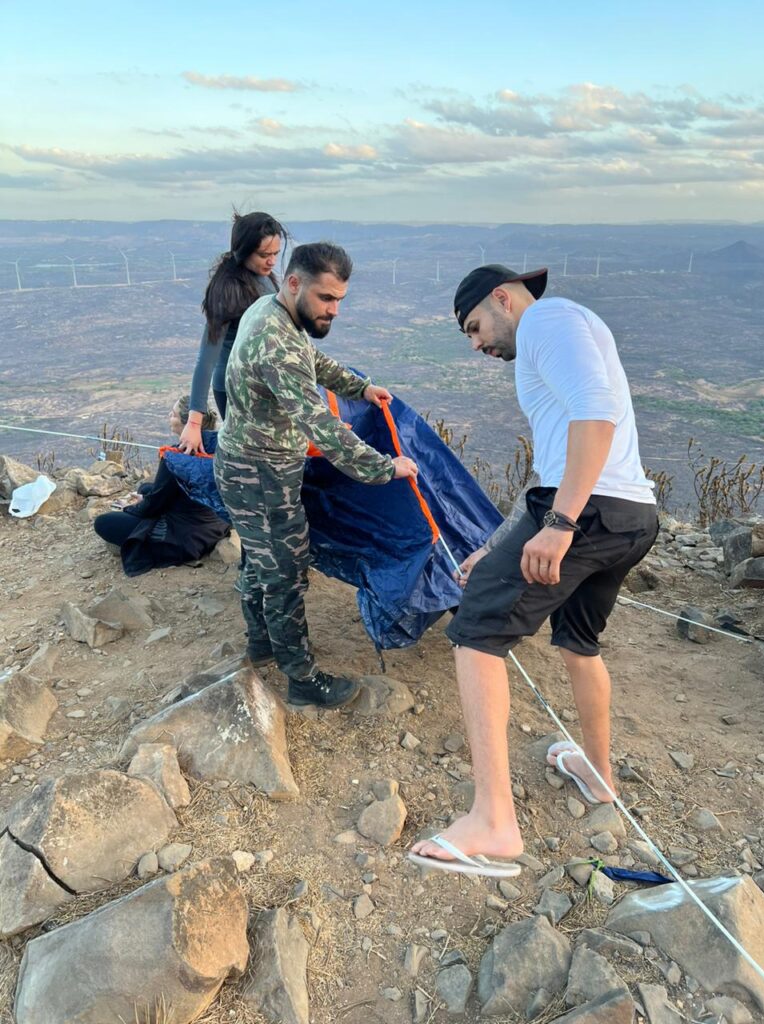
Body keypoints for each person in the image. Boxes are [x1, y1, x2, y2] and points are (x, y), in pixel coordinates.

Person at [409, 264, 658, 876]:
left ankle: (494, 822)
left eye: (474, 328)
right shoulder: (567, 326)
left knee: (475, 634)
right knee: (578, 641)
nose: (476, 344)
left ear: (503, 298)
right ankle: (598, 777)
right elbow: (555, 456)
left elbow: (595, 417)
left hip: (586, 512)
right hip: (630, 512)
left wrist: (562, 523)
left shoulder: (547, 319)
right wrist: (498, 544)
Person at [214, 241, 419, 710]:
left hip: (256, 465)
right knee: (284, 569)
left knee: (261, 558)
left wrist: (359, 387)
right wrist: (385, 468)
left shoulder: (274, 311)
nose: (334, 310)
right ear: (294, 283)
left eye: (340, 300)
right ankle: (301, 678)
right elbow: (321, 427)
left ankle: (262, 641)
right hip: (260, 472)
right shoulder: (274, 340)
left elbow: (311, 363)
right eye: (326, 299)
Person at [178, 211, 289, 455]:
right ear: (243, 250)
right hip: (234, 388)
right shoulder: (227, 289)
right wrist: (194, 422)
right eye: (263, 255)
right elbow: (206, 359)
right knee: (248, 456)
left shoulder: (264, 277)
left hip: (263, 384)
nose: (271, 261)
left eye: (275, 254)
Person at [93, 396, 229, 576]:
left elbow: (152, 505)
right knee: (145, 490)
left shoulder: (176, 457)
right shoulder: (219, 447)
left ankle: (160, 545)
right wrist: (145, 497)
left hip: (187, 537)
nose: (169, 416)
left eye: (172, 414)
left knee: (103, 522)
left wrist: (130, 508)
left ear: (187, 423)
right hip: (214, 524)